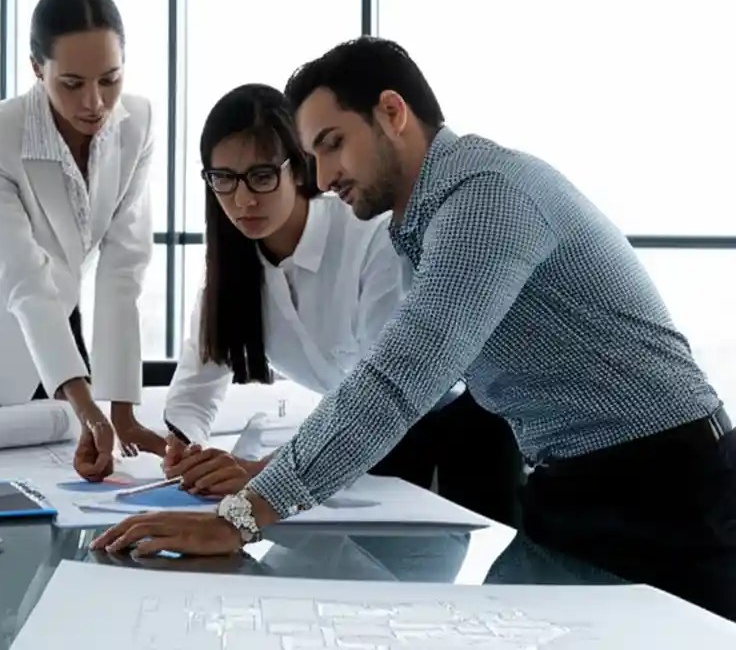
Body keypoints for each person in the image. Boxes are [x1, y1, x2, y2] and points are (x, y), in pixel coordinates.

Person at [92, 36, 736, 621]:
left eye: (332, 144)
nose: (321, 178)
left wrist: (243, 515)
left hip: (669, 486)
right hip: (568, 483)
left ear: (392, 113)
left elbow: (399, 378)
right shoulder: (420, 223)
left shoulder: (484, 197)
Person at [114, 83, 522, 525]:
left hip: (454, 424)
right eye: (224, 180)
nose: (243, 199)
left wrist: (260, 473)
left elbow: (380, 386)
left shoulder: (369, 235)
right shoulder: (232, 272)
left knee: (484, 576)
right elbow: (199, 383)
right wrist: (184, 445)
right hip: (357, 432)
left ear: (299, 168)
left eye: (263, 176)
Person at [0, 0, 154, 483]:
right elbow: (23, 277)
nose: (95, 102)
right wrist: (88, 406)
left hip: (58, 320)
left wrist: (122, 409)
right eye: (71, 83)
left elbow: (123, 267)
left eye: (111, 79)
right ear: (37, 68)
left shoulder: (138, 124)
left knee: (66, 484)